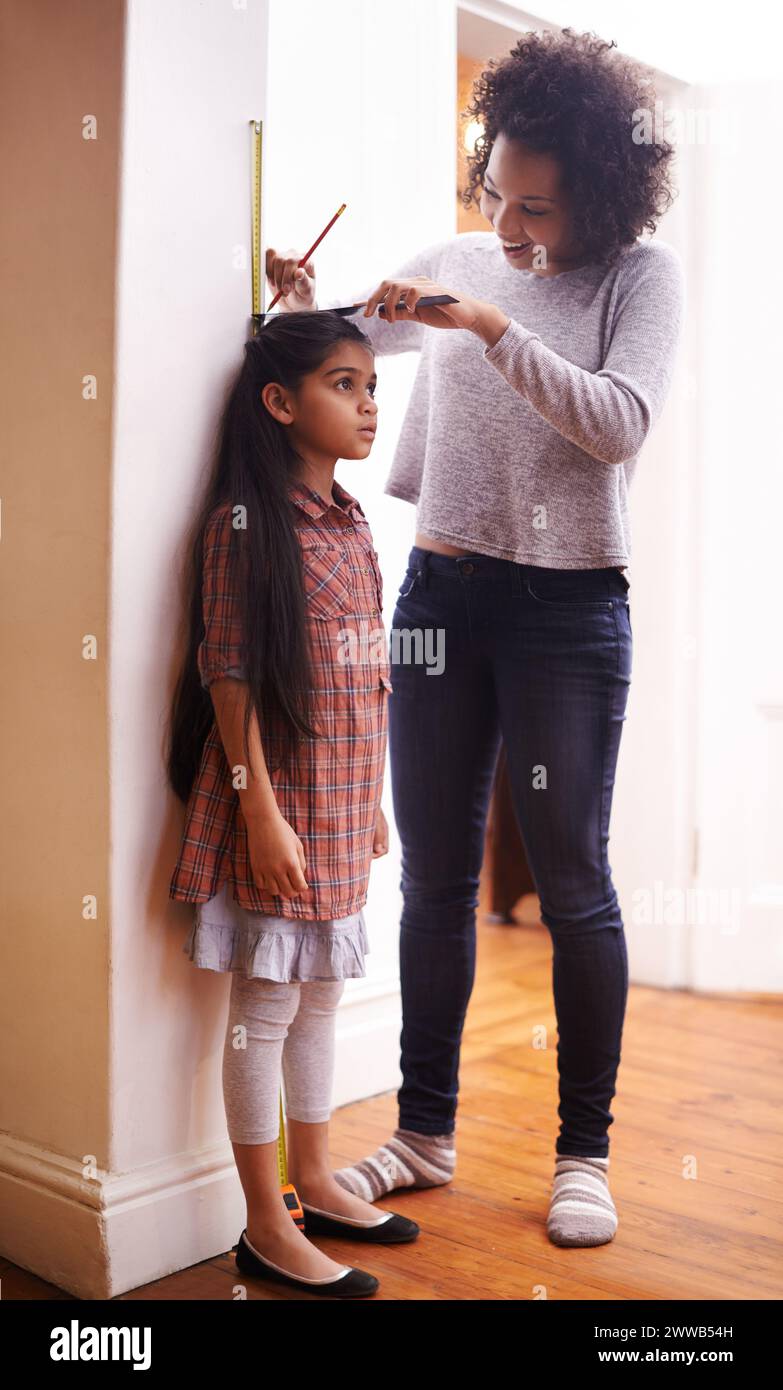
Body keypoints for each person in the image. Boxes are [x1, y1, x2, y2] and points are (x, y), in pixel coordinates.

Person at [266, 27, 686, 1248]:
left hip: (568, 610)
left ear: (597, 196)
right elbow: (336, 348)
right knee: (437, 879)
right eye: (495, 193)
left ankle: (583, 1154)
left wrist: (491, 326)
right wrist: (302, 299)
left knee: (574, 882)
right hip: (442, 600)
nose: (506, 229)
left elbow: (618, 425)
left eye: (536, 209)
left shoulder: (638, 279)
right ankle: (426, 1131)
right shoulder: (456, 254)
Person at [166, 310, 421, 1297]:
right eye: (343, 385)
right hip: (277, 805)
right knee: (267, 1002)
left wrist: (375, 802)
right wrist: (260, 814)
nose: (367, 403)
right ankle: (263, 1224)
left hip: (345, 798)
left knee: (320, 995)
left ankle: (316, 1177)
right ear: (281, 404)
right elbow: (226, 675)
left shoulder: (352, 519)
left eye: (370, 385)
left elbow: (368, 679)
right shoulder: (245, 524)